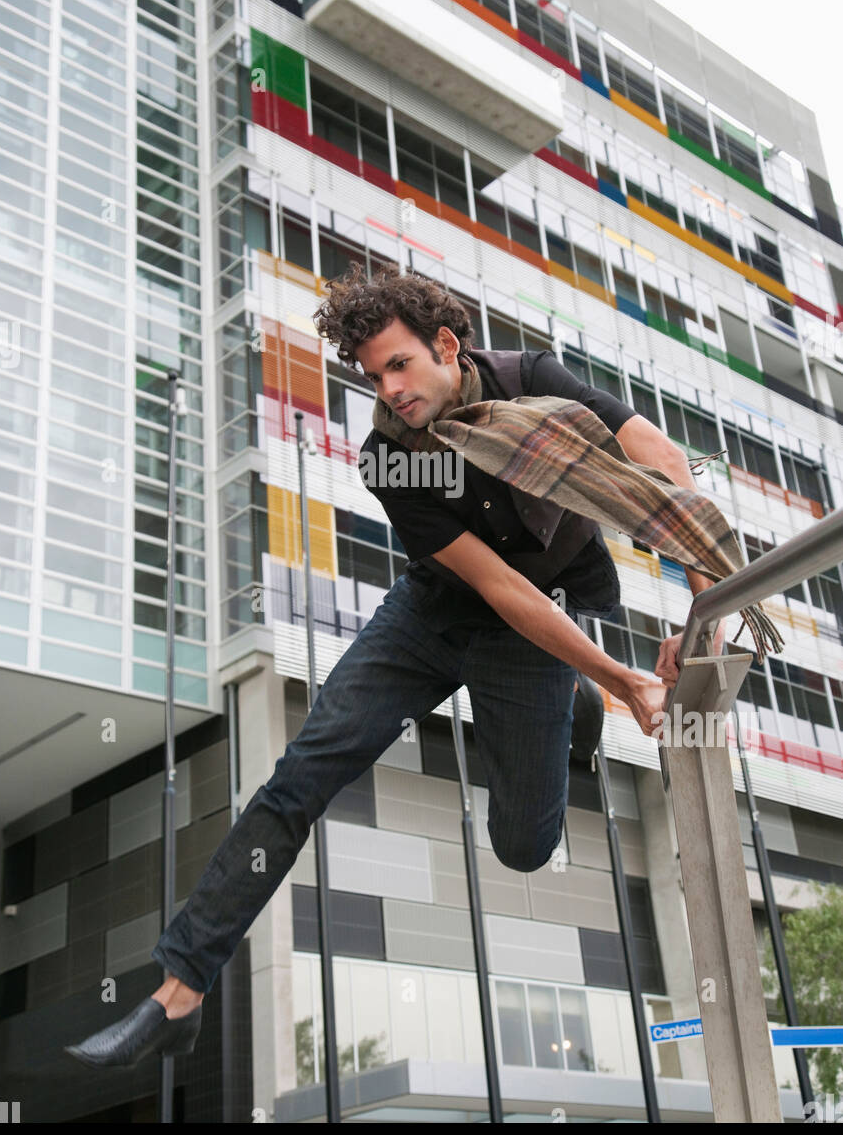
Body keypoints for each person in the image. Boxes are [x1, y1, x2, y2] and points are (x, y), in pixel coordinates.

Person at [64, 263, 713, 1071]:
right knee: (300, 776)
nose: (390, 388)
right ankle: (180, 992)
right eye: (374, 376)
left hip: (535, 627)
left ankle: (567, 699)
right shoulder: (391, 457)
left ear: (445, 345)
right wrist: (626, 682)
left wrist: (703, 607)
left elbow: (656, 457)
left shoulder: (532, 380)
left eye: (400, 365)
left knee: (522, 847)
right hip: (442, 613)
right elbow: (495, 585)